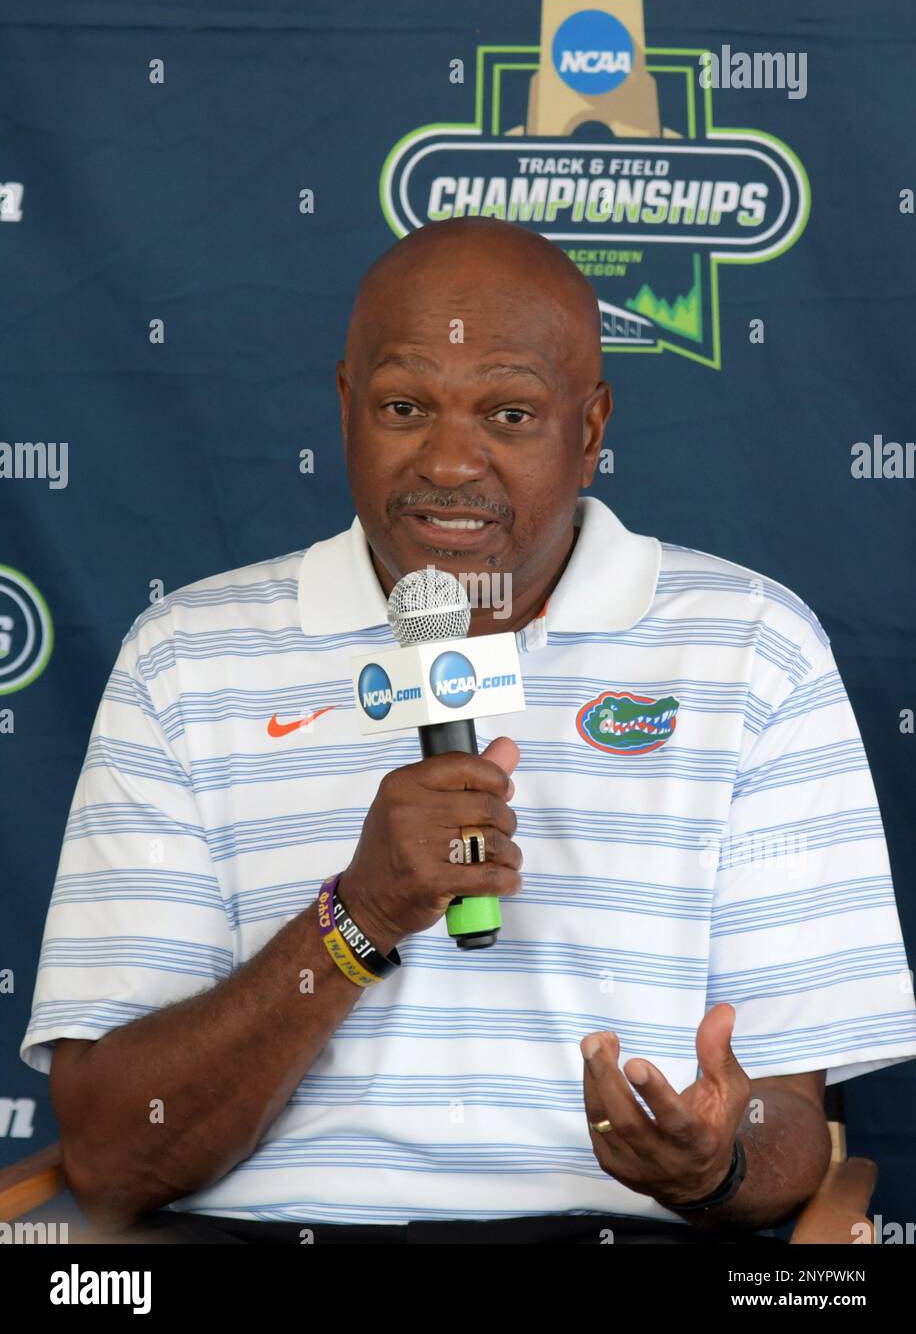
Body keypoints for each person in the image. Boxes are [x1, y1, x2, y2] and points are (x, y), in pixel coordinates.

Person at [20, 218, 916, 1245]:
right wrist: (355, 920)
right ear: (346, 407)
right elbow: (110, 1152)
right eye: (405, 406)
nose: (450, 462)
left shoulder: (752, 647)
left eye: (509, 411)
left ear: (589, 429)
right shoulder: (185, 656)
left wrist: (717, 1163)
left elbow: (791, 1121)